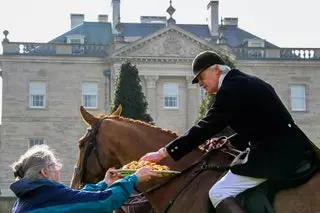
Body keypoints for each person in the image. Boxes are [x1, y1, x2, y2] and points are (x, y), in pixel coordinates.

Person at [141, 50, 320, 213]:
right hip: (289, 146)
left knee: (219, 192)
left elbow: (206, 126)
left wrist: (164, 152)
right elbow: (258, 126)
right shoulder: (244, 82)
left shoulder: (230, 89)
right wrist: (229, 142)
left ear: (216, 70)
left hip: (276, 154)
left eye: (201, 77)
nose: (200, 84)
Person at [10, 144, 161, 213]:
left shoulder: (25, 199)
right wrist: (134, 178)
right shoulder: (51, 194)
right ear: (44, 172)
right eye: (54, 165)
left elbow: (75, 198)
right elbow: (105, 201)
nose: (58, 168)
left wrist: (104, 183)